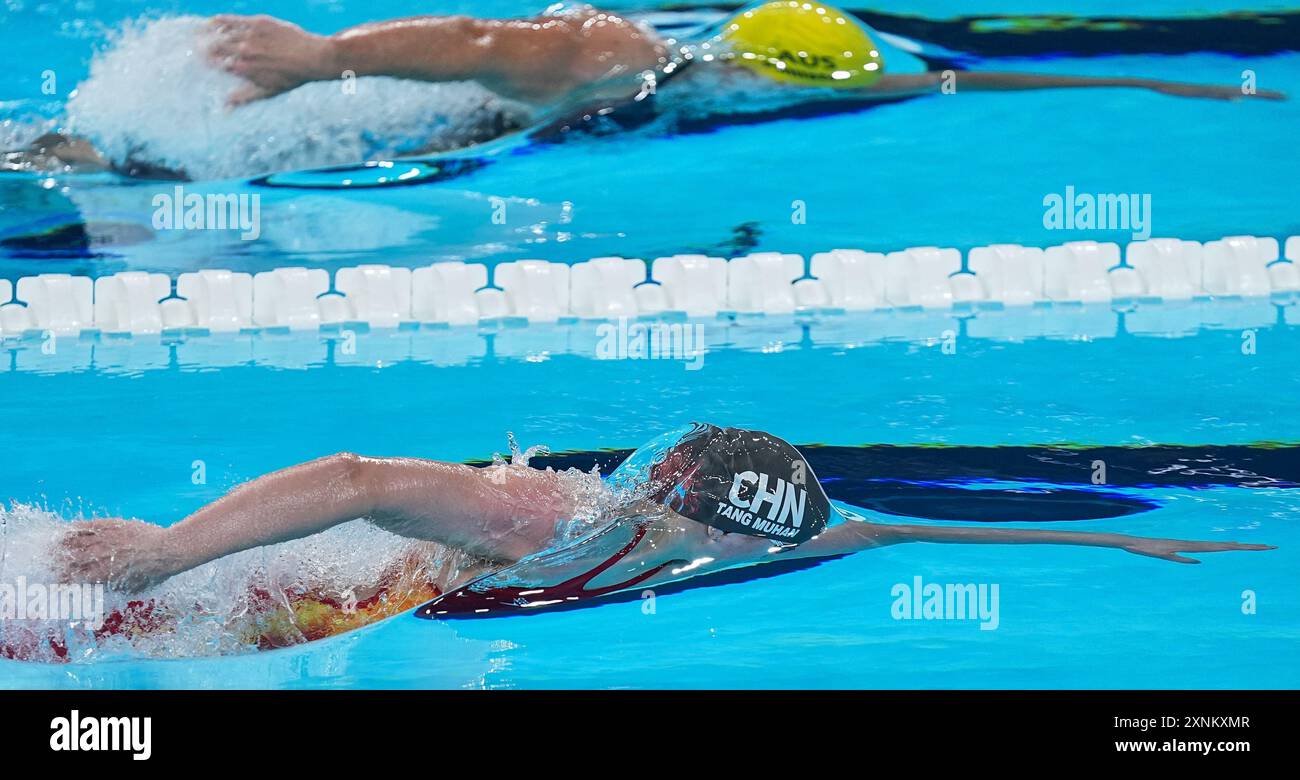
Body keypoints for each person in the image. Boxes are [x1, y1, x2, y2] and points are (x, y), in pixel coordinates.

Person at [62, 423, 1274, 610]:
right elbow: (354, 474)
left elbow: (901, 530)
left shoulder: (762, 528)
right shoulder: (541, 515)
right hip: (267, 572)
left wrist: (1122, 533)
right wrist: (164, 554)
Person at [12, 2, 1284, 178]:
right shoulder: (633, 58)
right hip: (359, 114)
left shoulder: (725, 68)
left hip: (453, 124)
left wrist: (1203, 95)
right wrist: (322, 60)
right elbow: (479, 34)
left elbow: (959, 79)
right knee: (94, 166)